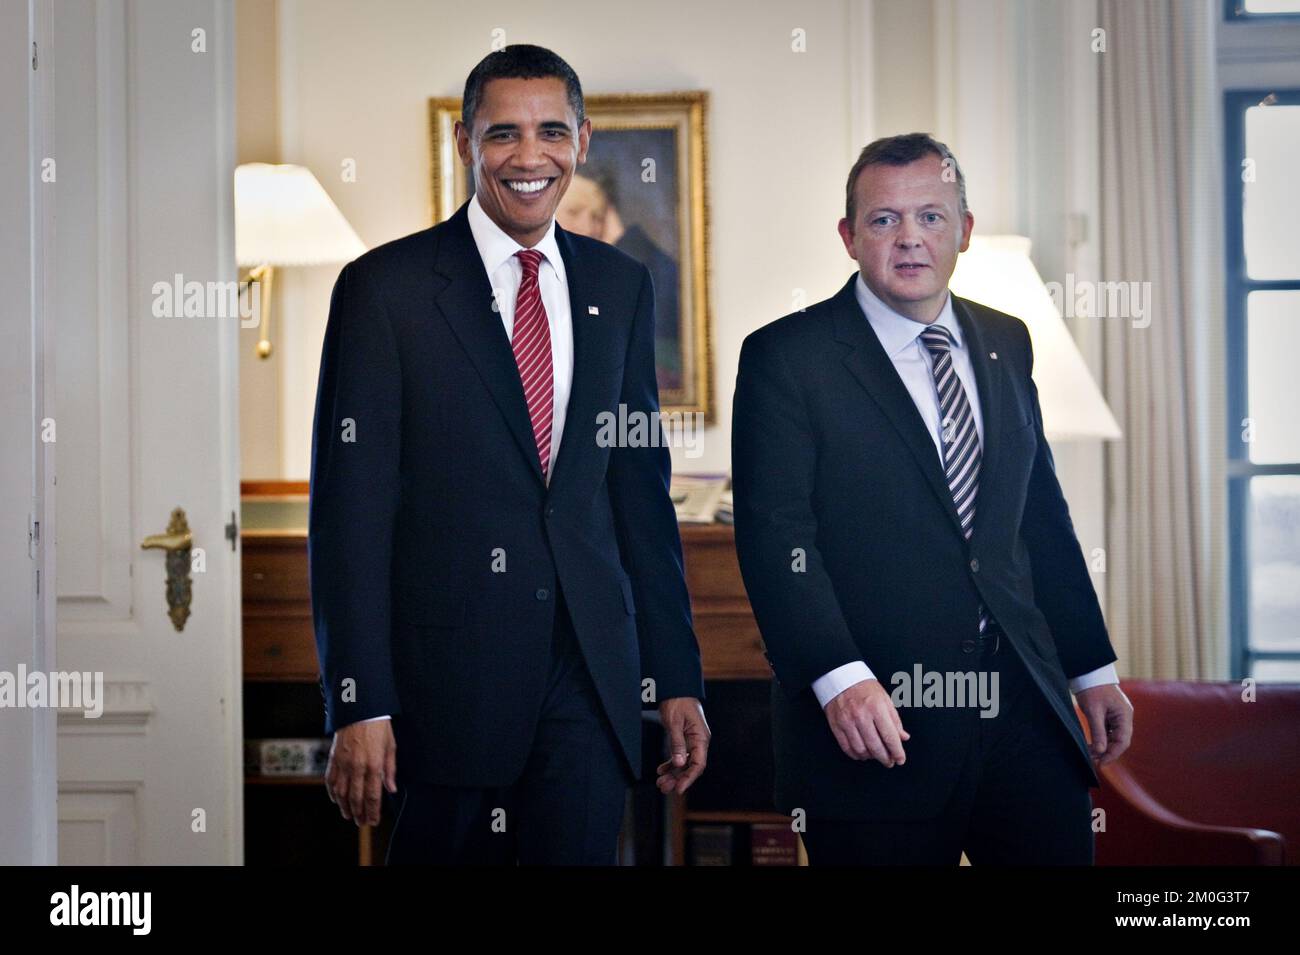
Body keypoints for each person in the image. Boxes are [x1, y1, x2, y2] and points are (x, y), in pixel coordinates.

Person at [308, 44, 708, 865]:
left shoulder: (622, 284)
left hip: (591, 675)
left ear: (584, 141)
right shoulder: (385, 291)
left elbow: (638, 494)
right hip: (446, 685)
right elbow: (349, 516)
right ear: (465, 143)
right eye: (503, 135)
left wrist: (676, 674)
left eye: (551, 131)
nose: (530, 157)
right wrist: (359, 700)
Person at [731, 133, 1133, 865]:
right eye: (884, 220)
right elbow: (774, 535)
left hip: (1025, 714)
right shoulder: (786, 357)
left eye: (931, 216)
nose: (910, 238)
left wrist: (1091, 667)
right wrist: (839, 677)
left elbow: (1038, 517)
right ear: (849, 237)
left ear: (965, 230)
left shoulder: (1006, 340)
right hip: (877, 720)